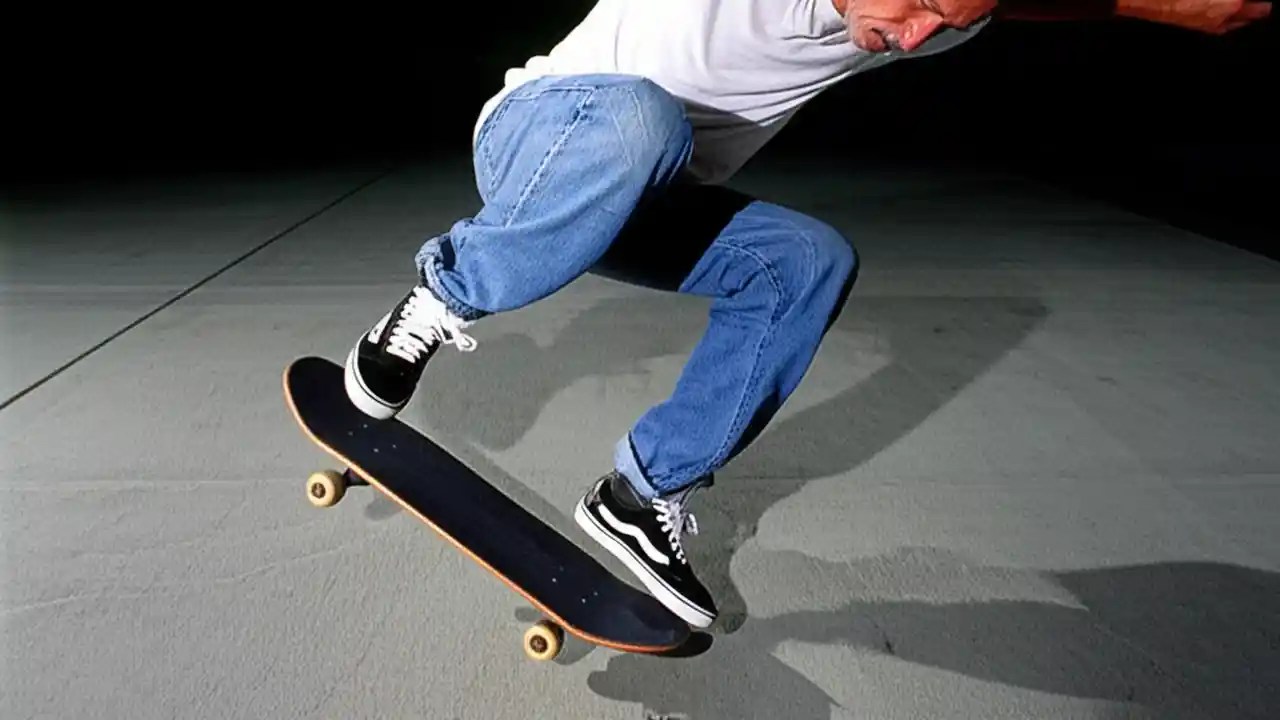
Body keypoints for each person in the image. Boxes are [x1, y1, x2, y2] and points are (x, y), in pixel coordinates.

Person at [342, 0, 1270, 629]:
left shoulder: (927, 13)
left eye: (940, 25)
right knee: (647, 118)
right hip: (542, 143)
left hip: (645, 202)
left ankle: (640, 493)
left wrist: (1179, 8)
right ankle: (432, 303)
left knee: (807, 262)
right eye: (910, 9)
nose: (909, 39)